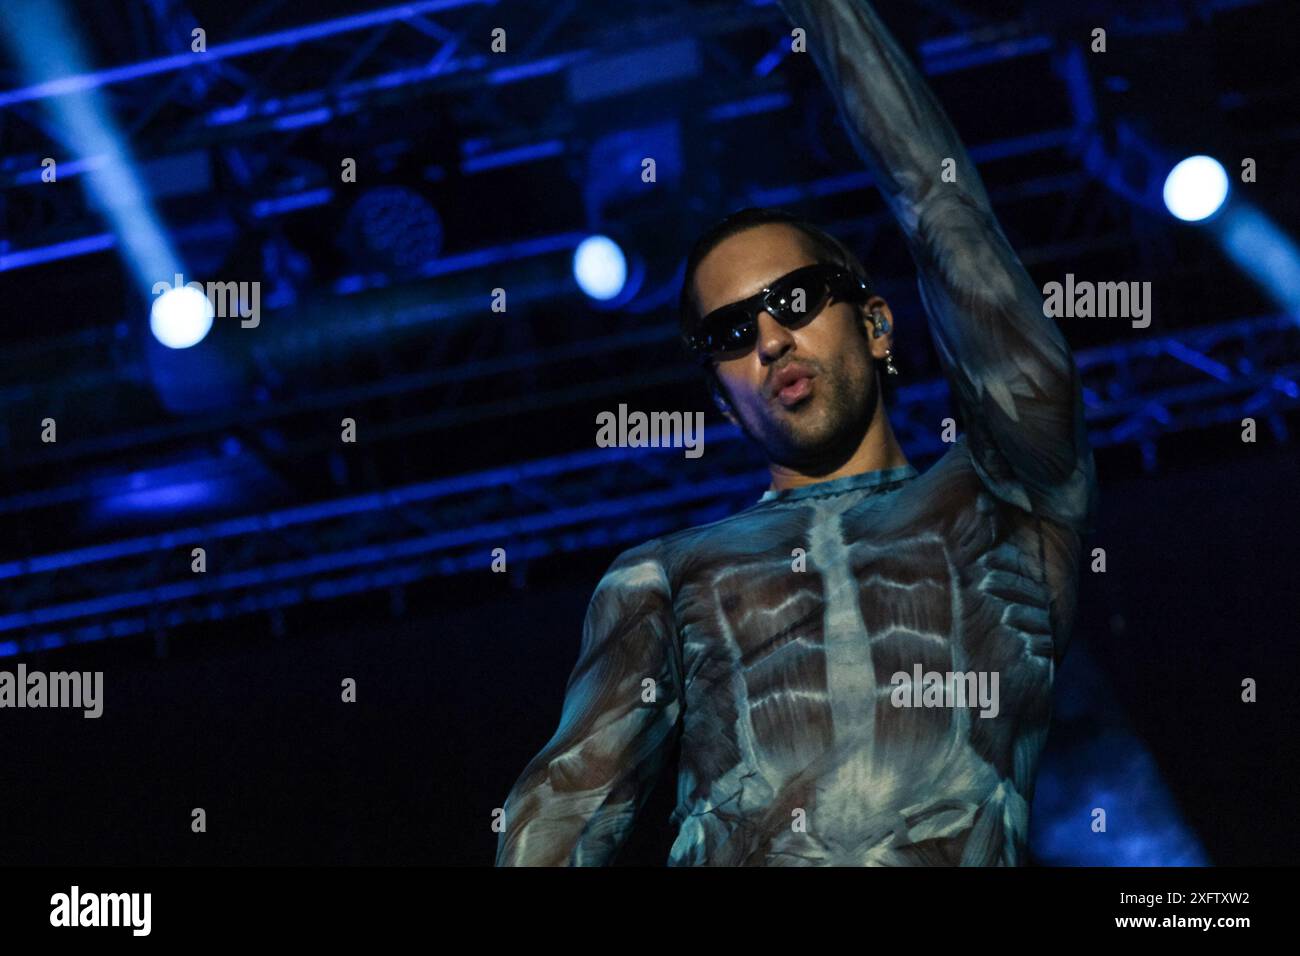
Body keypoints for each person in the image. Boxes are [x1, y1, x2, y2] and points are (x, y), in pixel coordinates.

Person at [495, 0, 1098, 866]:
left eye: (797, 300)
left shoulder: (1008, 494)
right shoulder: (661, 577)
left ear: (878, 325)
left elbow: (943, 212)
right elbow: (555, 820)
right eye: (731, 334)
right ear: (719, 396)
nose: (770, 337)